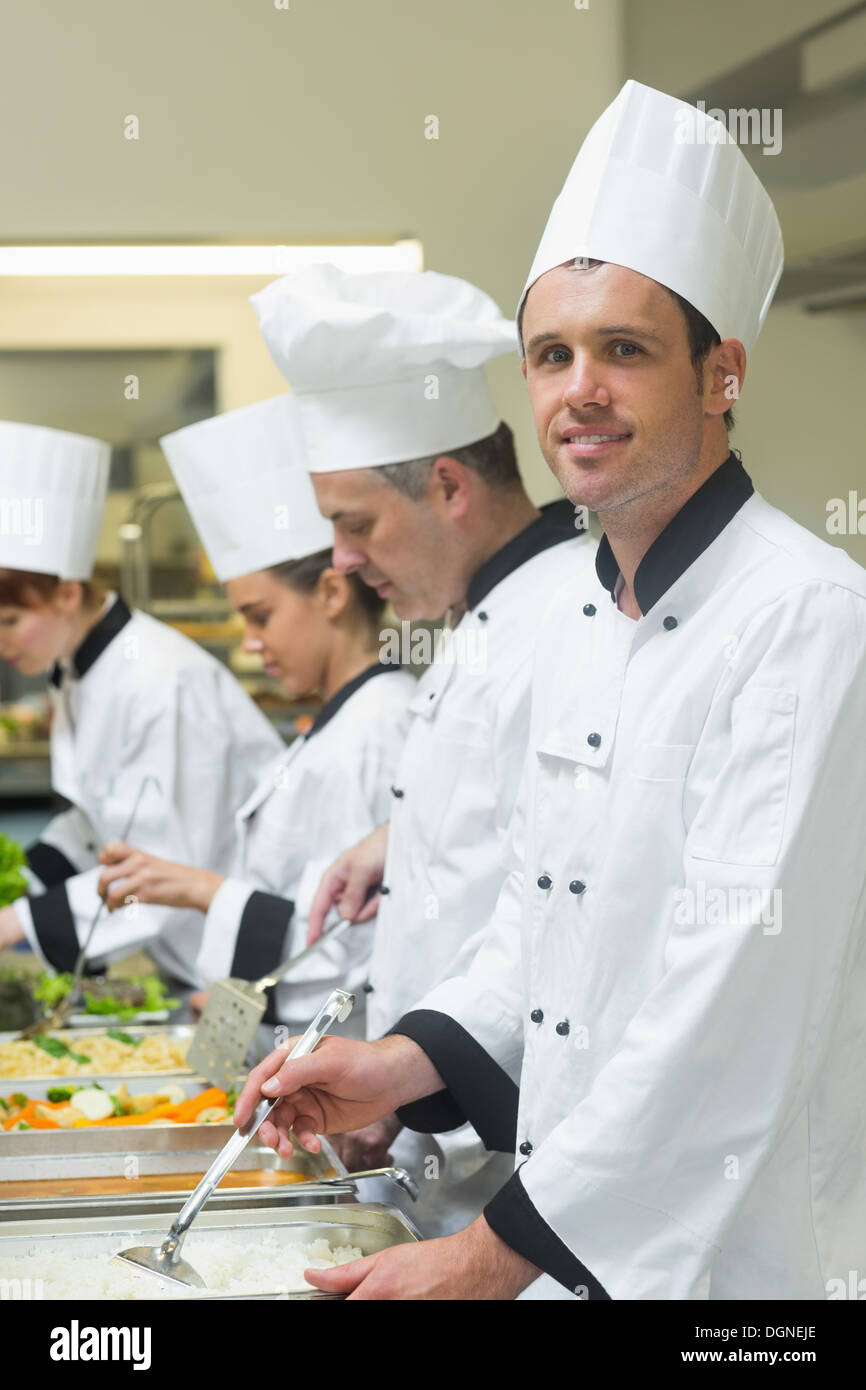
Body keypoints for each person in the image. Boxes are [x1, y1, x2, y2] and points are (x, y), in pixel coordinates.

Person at [235, 81, 866, 1300]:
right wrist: (403, 1061)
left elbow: (720, 1002)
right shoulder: (583, 605)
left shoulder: (804, 618)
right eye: (551, 353)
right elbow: (538, 918)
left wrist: (486, 1256)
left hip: (750, 1273)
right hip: (588, 1239)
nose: (577, 388)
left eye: (623, 350)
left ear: (720, 372)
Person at [250, 264, 592, 1224]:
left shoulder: (565, 623)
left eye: (353, 525)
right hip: (438, 1144)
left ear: (447, 486)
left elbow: (564, 912)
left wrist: (405, 1077)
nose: (343, 563)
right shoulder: (485, 620)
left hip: (512, 1175)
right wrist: (394, 844)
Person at [96, 395, 415, 1040]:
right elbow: (288, 928)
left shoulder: (382, 724)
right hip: (288, 1057)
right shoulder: (329, 727)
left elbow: (355, 945)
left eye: (259, 615)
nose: (248, 642)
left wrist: (199, 890)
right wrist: (219, 1025)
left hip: (349, 1081)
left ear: (330, 592)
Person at [0, 421, 281, 985]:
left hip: (237, 967)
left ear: (69, 593)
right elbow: (102, 821)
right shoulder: (79, 671)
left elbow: (162, 868)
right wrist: (26, 879)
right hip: (186, 958)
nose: (2, 641)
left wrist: (17, 921)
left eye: (10, 620)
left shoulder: (159, 680)